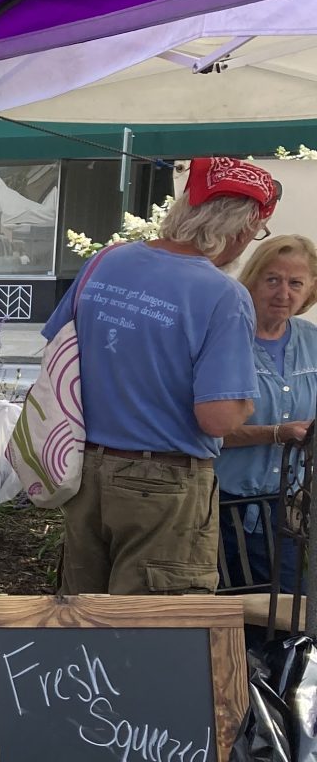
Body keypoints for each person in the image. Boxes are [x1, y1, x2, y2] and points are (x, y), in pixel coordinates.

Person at [45, 156, 278, 595]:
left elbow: (58, 352)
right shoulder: (224, 295)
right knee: (156, 625)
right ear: (243, 227)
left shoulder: (106, 261)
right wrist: (245, 402)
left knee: (84, 617)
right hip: (164, 483)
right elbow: (218, 419)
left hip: (84, 470)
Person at [214, 234, 317, 589]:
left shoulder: (312, 341)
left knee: (285, 610)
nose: (283, 293)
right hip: (218, 508)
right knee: (219, 611)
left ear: (310, 289)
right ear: (253, 280)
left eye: (295, 283)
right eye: (272, 280)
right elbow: (203, 427)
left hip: (282, 511)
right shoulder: (225, 337)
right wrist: (275, 434)